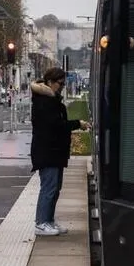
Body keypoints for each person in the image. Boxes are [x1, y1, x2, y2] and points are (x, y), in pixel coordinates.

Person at [30, 67, 90, 236]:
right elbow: (56, 125)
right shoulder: (44, 102)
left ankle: (48, 220)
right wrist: (78, 123)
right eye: (60, 84)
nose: (62, 87)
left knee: (55, 188)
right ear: (50, 82)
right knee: (49, 188)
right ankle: (41, 223)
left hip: (54, 151)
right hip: (47, 151)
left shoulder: (50, 100)